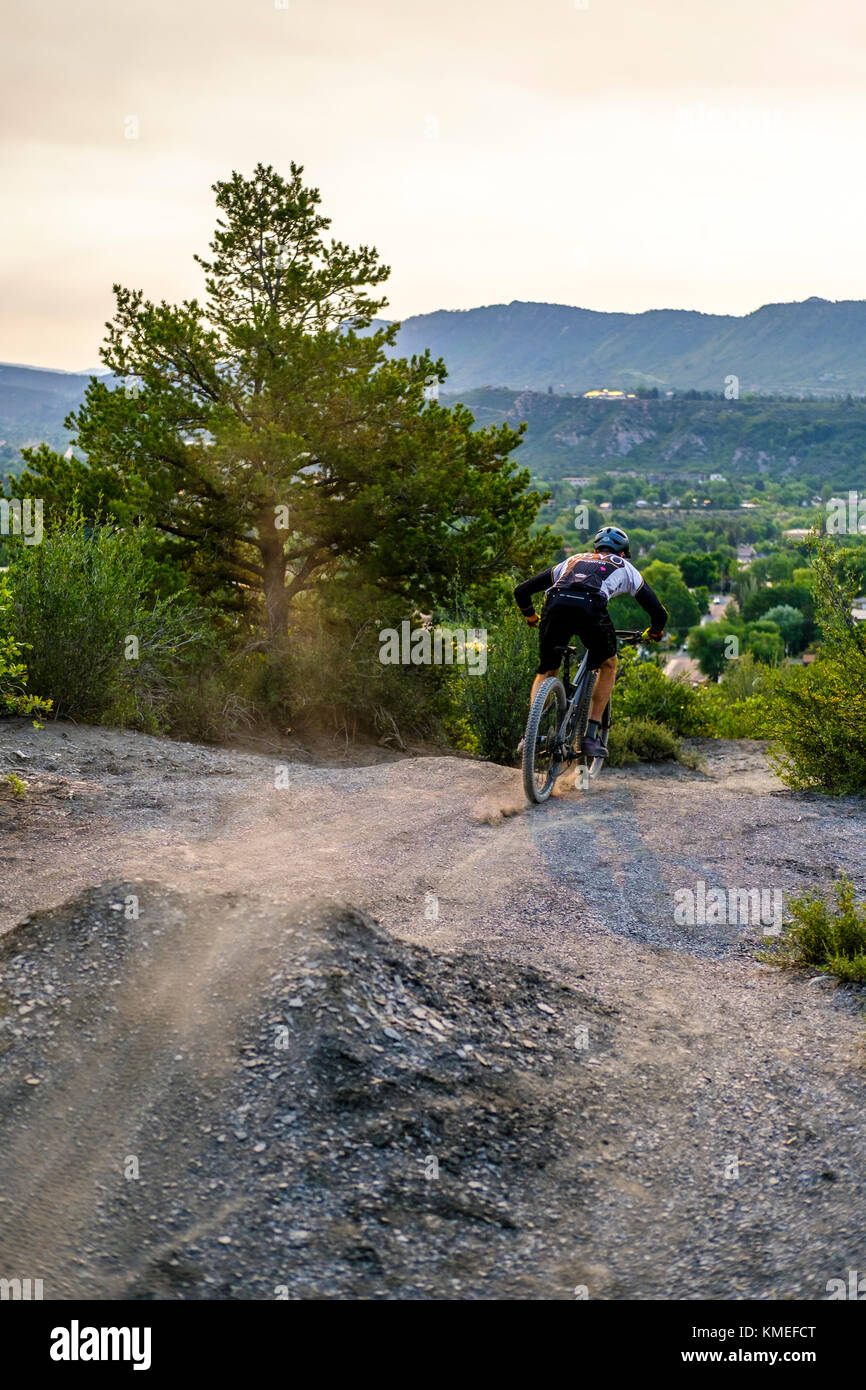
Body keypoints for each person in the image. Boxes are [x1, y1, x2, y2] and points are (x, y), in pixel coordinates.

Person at [513, 526, 668, 757]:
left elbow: (521, 591)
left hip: (555, 605)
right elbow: (659, 613)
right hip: (591, 607)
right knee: (608, 664)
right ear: (623, 553)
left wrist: (531, 617)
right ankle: (590, 737)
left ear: (594, 550)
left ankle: (529, 737)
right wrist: (653, 632)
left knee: (547, 670)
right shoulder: (625, 566)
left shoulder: (573, 559)